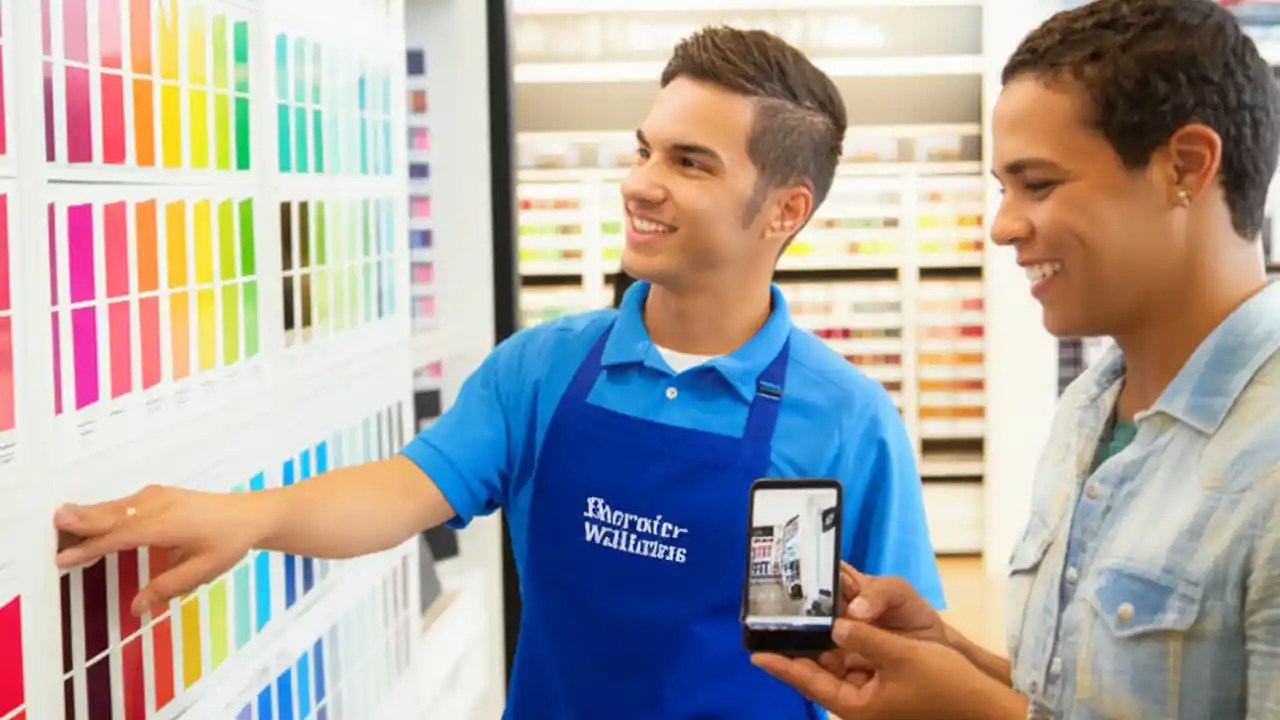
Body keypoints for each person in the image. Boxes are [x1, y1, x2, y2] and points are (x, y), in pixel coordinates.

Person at [52, 26, 945, 720]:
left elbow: (896, 663)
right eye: (644, 148)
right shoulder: (545, 370)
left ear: (785, 210)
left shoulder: (842, 419)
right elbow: (406, 489)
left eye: (688, 162)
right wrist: (249, 517)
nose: (639, 182)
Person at [752, 1, 1280, 717]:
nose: (1004, 227)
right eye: (1004, 190)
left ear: (1182, 168)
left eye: (1039, 184)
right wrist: (950, 654)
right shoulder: (1088, 412)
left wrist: (973, 712)